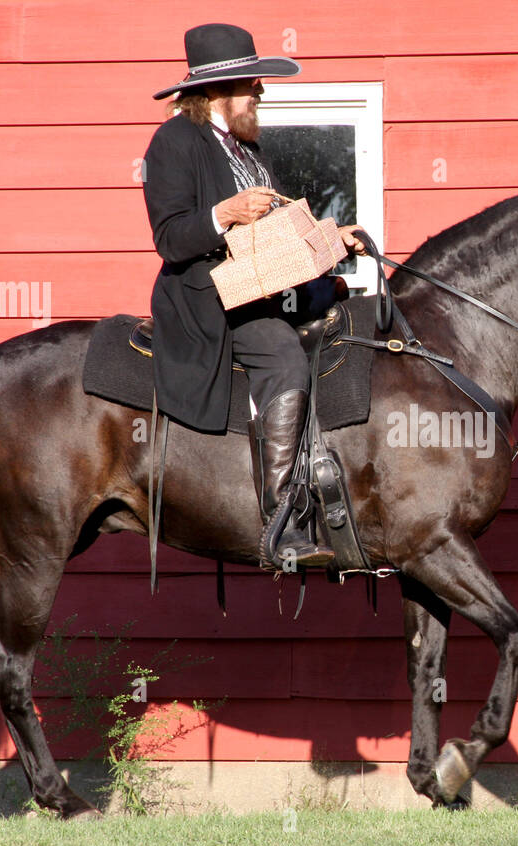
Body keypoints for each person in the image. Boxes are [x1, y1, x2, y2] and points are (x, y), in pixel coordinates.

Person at [142, 23, 367, 568]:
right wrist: (225, 214)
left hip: (259, 291)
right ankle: (282, 522)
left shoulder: (250, 151)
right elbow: (170, 239)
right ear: (216, 92)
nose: (261, 93)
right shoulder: (173, 142)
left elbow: (272, 240)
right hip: (207, 300)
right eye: (252, 85)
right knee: (284, 356)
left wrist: (330, 243)